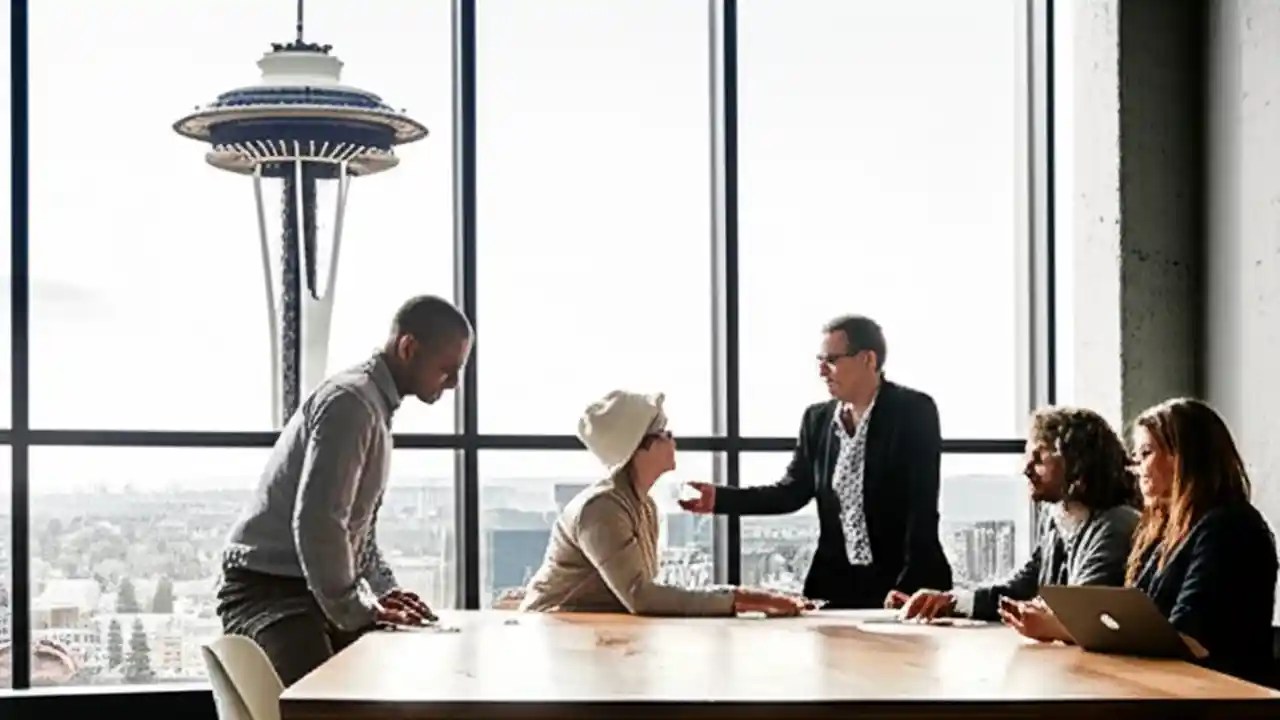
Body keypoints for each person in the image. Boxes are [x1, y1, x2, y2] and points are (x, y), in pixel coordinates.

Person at [215, 294, 473, 686]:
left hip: (305, 590)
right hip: (270, 594)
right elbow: (320, 523)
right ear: (408, 348)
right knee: (331, 703)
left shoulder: (372, 406)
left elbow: (357, 533)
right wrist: (357, 607)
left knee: (399, 669)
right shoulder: (351, 404)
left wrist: (385, 593)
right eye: (447, 369)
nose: (454, 383)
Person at [679, 315, 952, 608]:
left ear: (868, 359)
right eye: (820, 360)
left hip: (906, 585)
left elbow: (921, 509)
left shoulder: (913, 411)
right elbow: (791, 491)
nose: (822, 371)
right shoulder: (817, 420)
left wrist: (908, 588)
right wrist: (720, 499)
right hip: (837, 586)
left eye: (832, 360)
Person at [1001, 398, 1278, 686]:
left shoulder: (1229, 528)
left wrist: (1061, 627)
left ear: (1182, 456)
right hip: (1175, 691)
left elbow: (1187, 641)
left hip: (1221, 701)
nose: (1136, 467)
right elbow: (1135, 620)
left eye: (1146, 453)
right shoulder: (1166, 532)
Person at [519, 390, 809, 617]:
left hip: (588, 631)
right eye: (665, 434)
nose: (673, 441)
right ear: (639, 448)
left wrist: (744, 596)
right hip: (553, 631)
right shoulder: (602, 509)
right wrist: (744, 600)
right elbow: (641, 596)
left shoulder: (641, 505)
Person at [889, 406, 1140, 621]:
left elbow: (1079, 614)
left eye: (1039, 458)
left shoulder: (1115, 525)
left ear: (1077, 463)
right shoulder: (1061, 523)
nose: (1025, 469)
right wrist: (948, 602)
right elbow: (1020, 589)